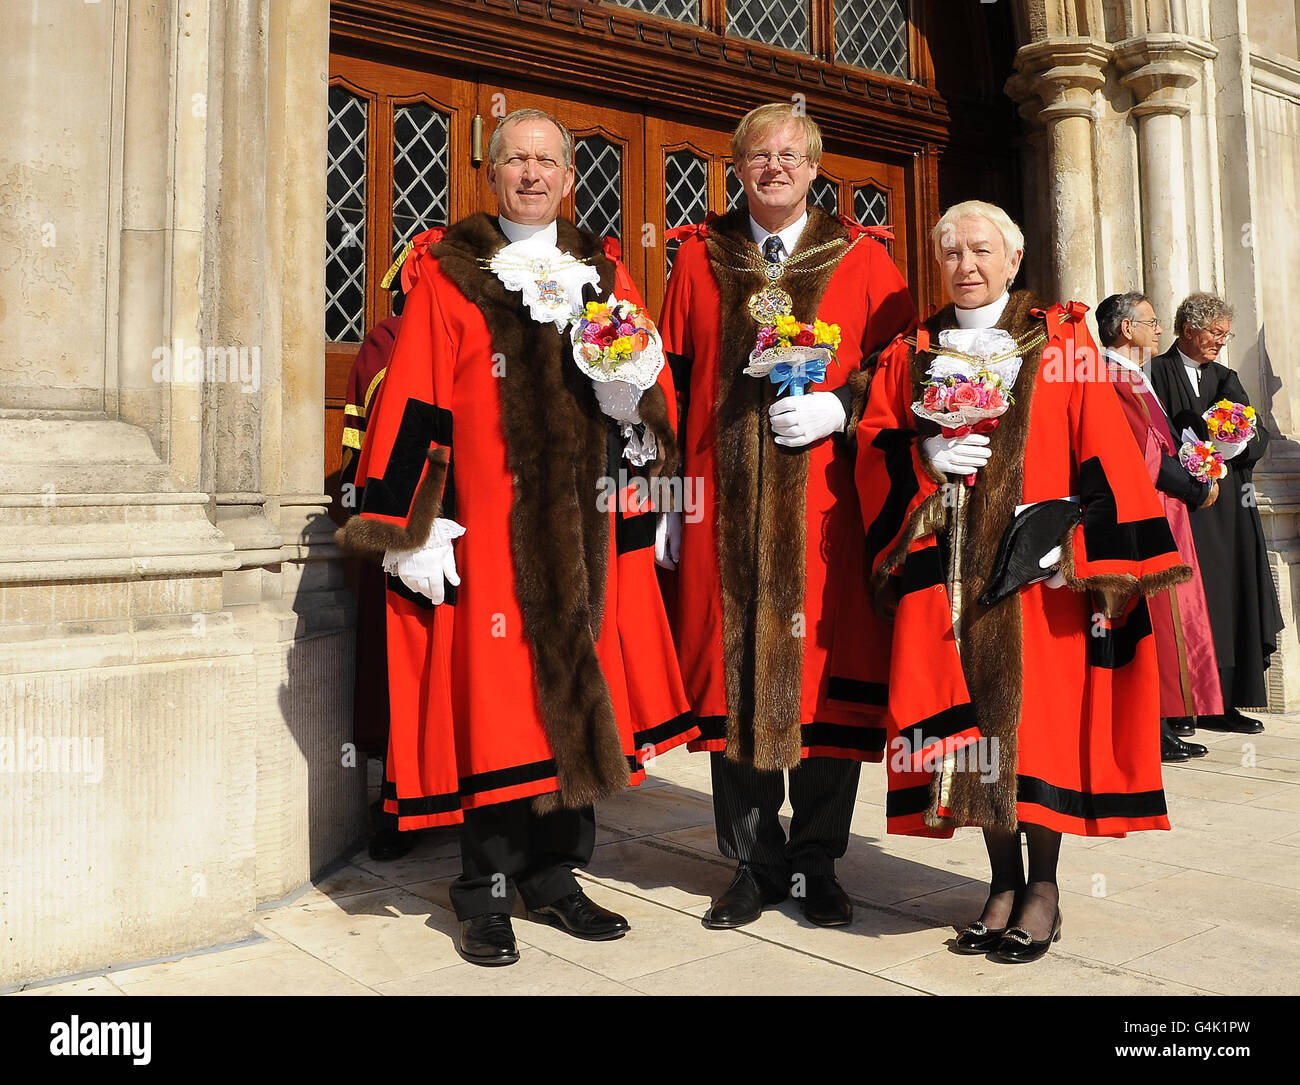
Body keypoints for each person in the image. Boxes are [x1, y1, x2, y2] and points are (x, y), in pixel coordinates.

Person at [337, 109, 698, 966]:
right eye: (516, 160)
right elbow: (415, 398)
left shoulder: (605, 274)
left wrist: (630, 393)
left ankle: (558, 878)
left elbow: (647, 397)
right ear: (491, 173)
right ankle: (486, 891)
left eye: (547, 162)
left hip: (586, 525)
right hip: (492, 532)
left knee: (575, 698)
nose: (532, 174)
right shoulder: (449, 277)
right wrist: (415, 527)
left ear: (571, 179)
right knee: (498, 709)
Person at [856, 201, 1186, 962]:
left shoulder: (1059, 342)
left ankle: (1043, 888)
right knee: (970, 735)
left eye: (981, 251)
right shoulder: (912, 351)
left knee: (1032, 733)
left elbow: (1104, 444)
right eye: (951, 254)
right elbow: (874, 444)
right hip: (947, 580)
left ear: (1014, 259)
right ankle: (1000, 878)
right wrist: (924, 460)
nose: (966, 266)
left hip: (1040, 579)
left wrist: (1074, 540)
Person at [657, 102, 916, 930]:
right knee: (733, 681)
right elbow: (666, 384)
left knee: (825, 690)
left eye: (790, 155)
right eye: (757, 155)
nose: (774, 166)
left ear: (815, 170)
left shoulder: (866, 261)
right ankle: (749, 863)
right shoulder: (699, 259)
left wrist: (842, 406)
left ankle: (817, 862)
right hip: (721, 510)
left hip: (826, 512)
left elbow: (902, 372)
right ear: (736, 167)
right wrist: (665, 498)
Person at [1148, 292, 1284, 735]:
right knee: (1187, 605)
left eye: (1226, 334)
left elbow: (1257, 433)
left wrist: (1238, 440)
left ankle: (1225, 702)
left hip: (1230, 508)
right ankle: (1181, 707)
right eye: (1215, 333)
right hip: (1182, 508)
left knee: (1228, 598)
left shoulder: (1226, 376)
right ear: (1188, 328)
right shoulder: (1155, 373)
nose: (1221, 343)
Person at [1096, 292, 1219, 762]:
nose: (1160, 330)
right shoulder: (1109, 377)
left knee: (1172, 615)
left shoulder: (1134, 377)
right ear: (1125, 329)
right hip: (1144, 511)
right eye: (1150, 321)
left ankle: (1167, 718)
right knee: (1154, 616)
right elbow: (1140, 453)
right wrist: (1191, 487)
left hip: (1167, 507)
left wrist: (1200, 466)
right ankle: (1153, 724)